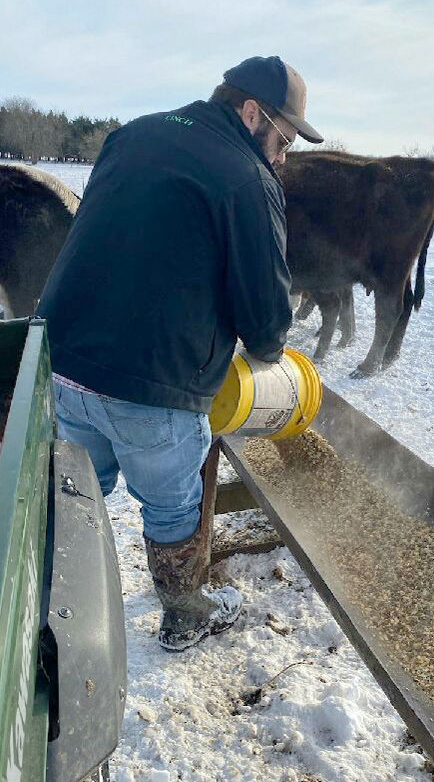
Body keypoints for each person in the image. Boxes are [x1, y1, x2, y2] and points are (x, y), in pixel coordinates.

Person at [36, 55, 323, 651]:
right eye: (285, 138)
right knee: (171, 508)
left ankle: (57, 615)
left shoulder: (131, 134)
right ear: (252, 113)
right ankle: (184, 616)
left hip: (62, 363)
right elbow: (267, 324)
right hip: (154, 386)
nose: (283, 156)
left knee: (76, 494)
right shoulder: (248, 176)